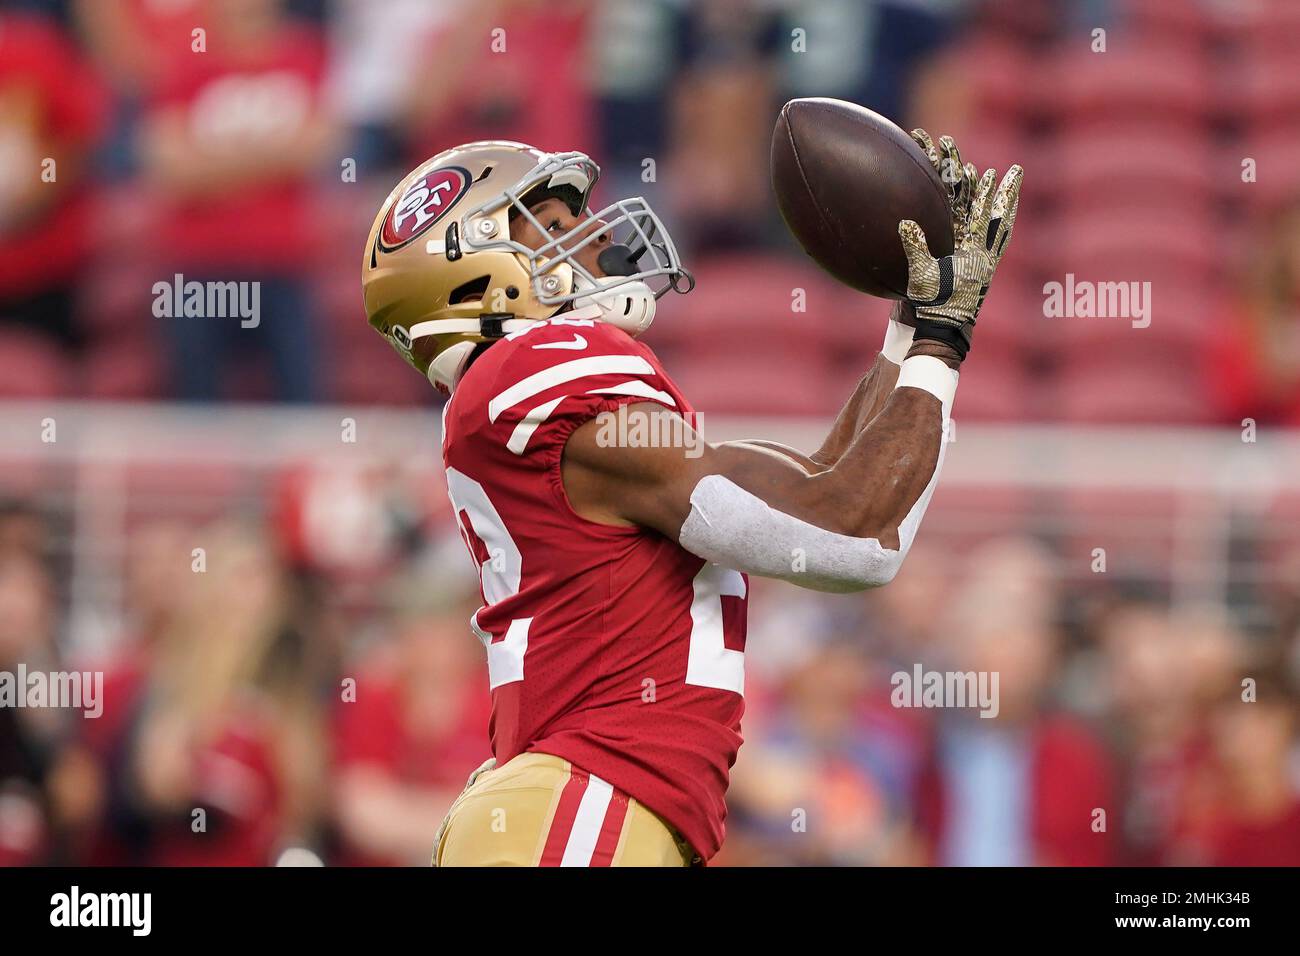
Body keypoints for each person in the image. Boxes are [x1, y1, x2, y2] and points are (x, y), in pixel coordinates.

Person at [360, 134, 1023, 865]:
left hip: (587, 808)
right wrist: (942, 335)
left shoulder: (545, 411)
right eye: (549, 224)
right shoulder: (526, 372)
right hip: (584, 803)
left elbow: (826, 490)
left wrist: (910, 327)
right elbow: (852, 535)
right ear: (477, 276)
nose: (598, 235)